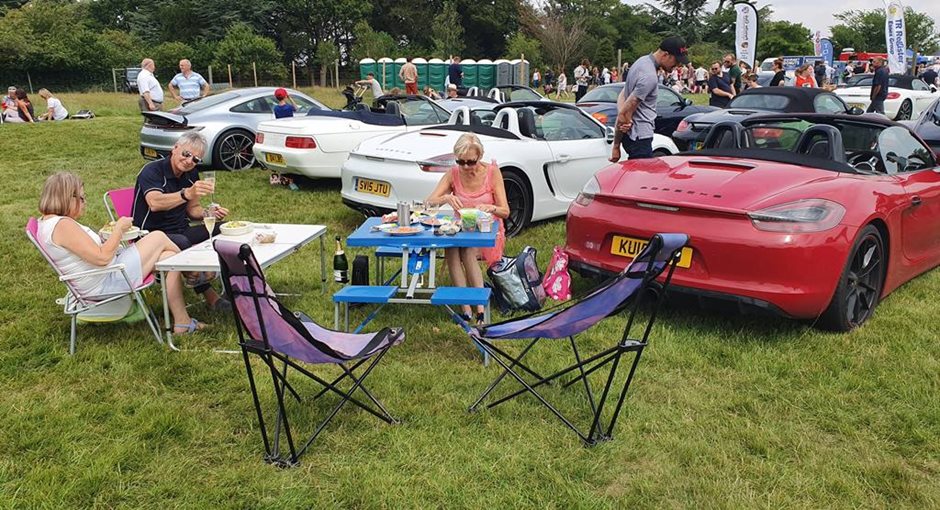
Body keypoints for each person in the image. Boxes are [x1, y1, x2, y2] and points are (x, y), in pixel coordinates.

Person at [38, 172, 205, 334]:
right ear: (67, 197)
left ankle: (182, 322)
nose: (85, 202)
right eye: (81, 198)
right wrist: (118, 229)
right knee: (158, 237)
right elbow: (102, 258)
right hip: (105, 282)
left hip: (105, 275)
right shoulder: (62, 225)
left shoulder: (51, 223)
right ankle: (193, 272)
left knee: (167, 258)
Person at [131, 131, 230, 311]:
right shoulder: (152, 170)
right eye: (186, 154)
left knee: (224, 229)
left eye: (195, 160)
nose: (189, 161)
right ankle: (209, 294)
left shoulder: (191, 174)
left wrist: (208, 213)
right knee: (183, 241)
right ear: (175, 148)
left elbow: (193, 210)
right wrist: (186, 193)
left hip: (180, 229)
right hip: (151, 236)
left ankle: (236, 285)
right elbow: (154, 203)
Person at [425, 133, 509, 325]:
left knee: (467, 249)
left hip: (488, 231)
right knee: (452, 248)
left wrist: (491, 208)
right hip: (462, 229)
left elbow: (505, 211)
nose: (464, 167)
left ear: (479, 157)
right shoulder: (454, 173)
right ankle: (465, 308)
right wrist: (445, 198)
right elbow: (428, 202)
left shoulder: (492, 172)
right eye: (460, 161)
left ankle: (480, 308)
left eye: (470, 162)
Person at [609, 36, 689, 163]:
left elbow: (623, 95)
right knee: (641, 179)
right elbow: (624, 112)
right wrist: (616, 145)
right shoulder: (649, 76)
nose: (677, 65)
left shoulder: (641, 62)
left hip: (634, 137)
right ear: (666, 55)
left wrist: (617, 145)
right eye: (676, 61)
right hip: (640, 137)